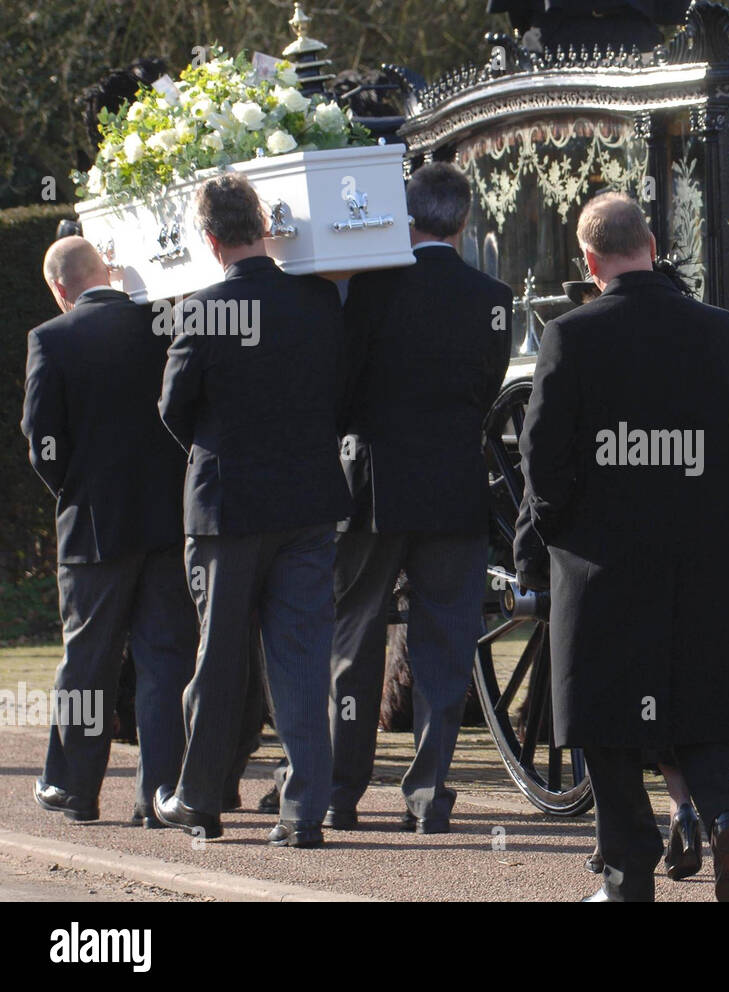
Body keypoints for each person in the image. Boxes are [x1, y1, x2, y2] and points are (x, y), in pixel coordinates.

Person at [515, 192, 729, 902]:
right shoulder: (723, 331)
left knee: (607, 716)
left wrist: (559, 530)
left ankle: (628, 874)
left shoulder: (571, 336)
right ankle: (723, 814)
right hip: (702, 558)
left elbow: (542, 457)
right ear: (653, 245)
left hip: (606, 560)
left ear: (590, 263)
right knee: (703, 703)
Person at [155, 173, 351, 849]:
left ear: (210, 241)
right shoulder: (321, 302)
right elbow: (343, 396)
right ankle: (303, 812)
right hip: (308, 500)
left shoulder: (199, 309)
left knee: (219, 658)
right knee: (300, 658)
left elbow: (174, 411)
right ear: (264, 225)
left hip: (228, 505)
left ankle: (200, 799)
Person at [326, 162, 512, 833]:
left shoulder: (368, 291)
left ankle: (341, 790)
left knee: (355, 639)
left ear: (408, 218)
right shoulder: (492, 294)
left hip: (375, 480)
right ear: (464, 222)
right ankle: (429, 794)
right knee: (445, 646)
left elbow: (342, 386)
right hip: (453, 482)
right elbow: (486, 390)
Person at [23, 236, 196, 827]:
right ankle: (163, 794)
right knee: (165, 658)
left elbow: (41, 442)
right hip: (167, 520)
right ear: (109, 271)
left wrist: (74, 492)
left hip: (94, 527)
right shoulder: (161, 323)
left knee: (87, 663)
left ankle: (74, 787)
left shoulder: (50, 338)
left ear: (58, 288)